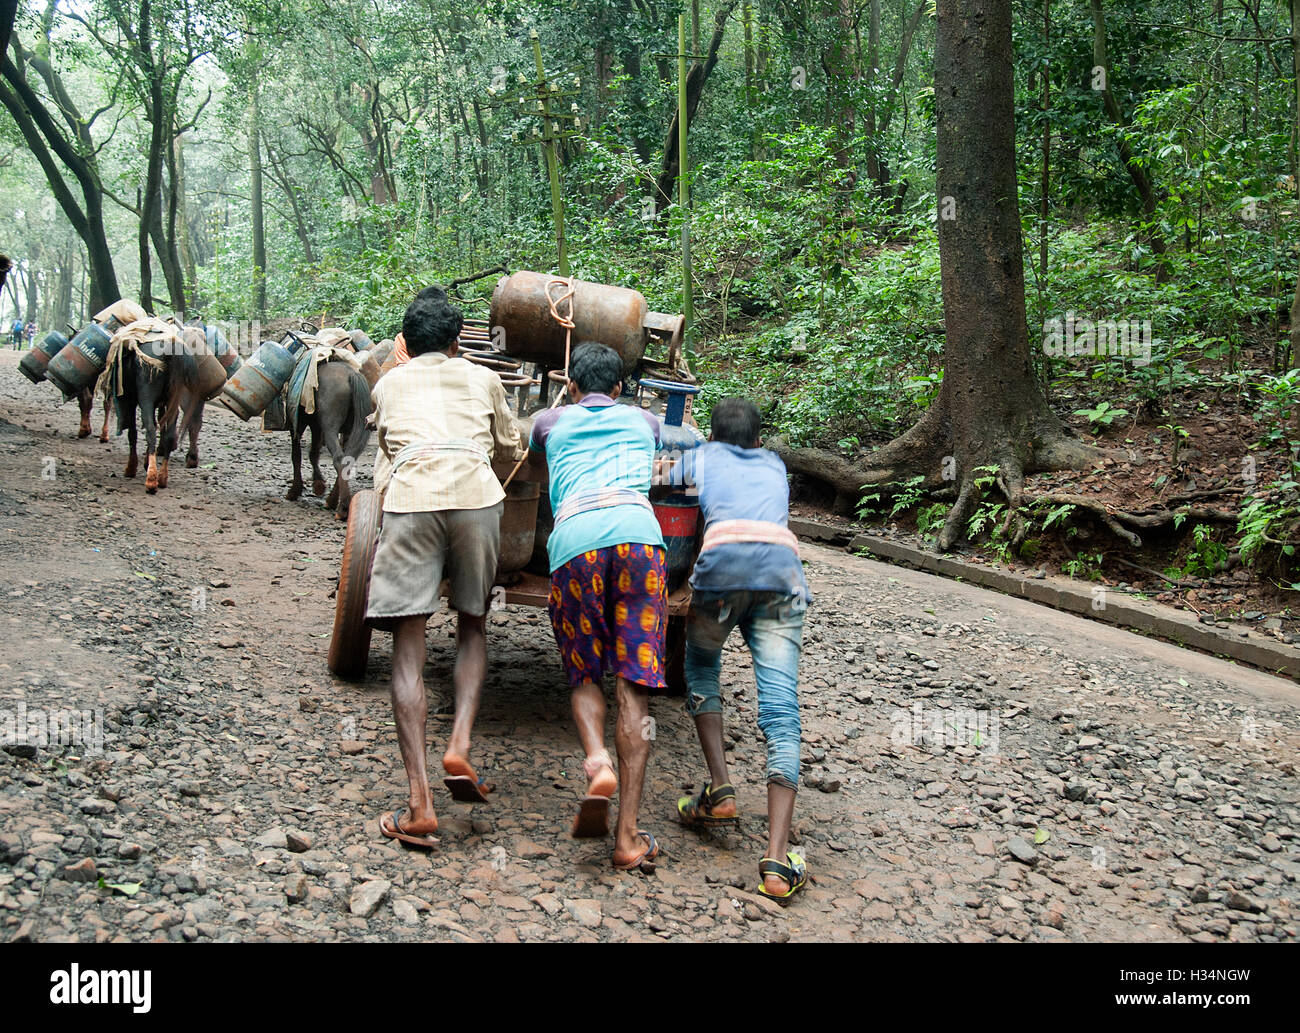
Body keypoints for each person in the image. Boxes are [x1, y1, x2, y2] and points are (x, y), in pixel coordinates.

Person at [365, 290, 527, 848]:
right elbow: (509, 447)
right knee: (473, 624)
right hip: (477, 498)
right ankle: (458, 744)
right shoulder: (484, 379)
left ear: (404, 345)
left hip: (411, 499)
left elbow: (386, 445)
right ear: (459, 343)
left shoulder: (388, 383)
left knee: (408, 647)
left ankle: (419, 804)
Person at [529, 342, 667, 870]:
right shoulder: (644, 422)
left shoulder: (549, 422)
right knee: (634, 685)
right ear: (619, 390)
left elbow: (533, 449)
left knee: (583, 671)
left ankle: (596, 760)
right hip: (640, 542)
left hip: (575, 546)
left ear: (569, 386)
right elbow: (681, 437)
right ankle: (628, 838)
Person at [671, 397, 812, 904]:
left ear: (713, 436)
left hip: (720, 576)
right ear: (758, 439)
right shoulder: (774, 463)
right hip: (782, 577)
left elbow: (665, 475)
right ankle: (776, 860)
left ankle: (720, 787)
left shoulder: (702, 458)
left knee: (702, 664)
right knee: (780, 710)